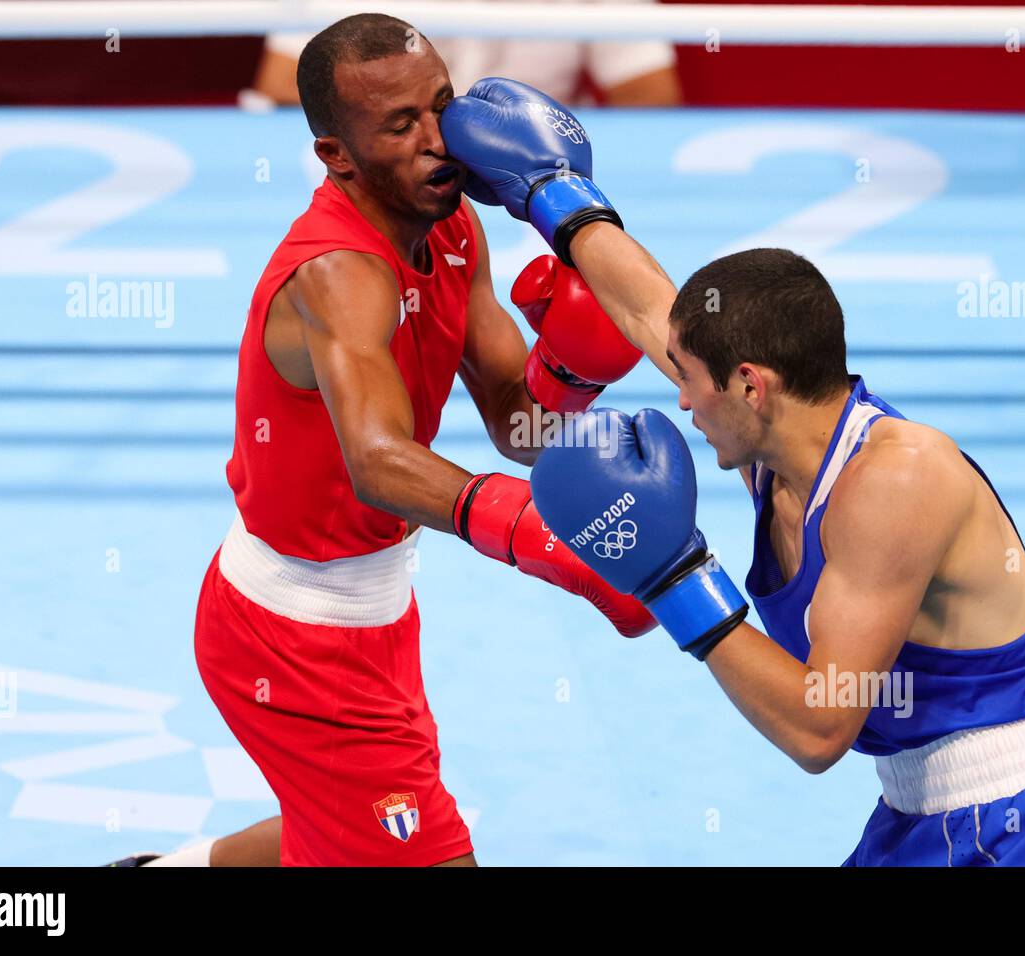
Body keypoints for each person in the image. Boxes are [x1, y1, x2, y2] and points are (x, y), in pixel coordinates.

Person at [438, 78, 1025, 865]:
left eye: (690, 380)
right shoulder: (782, 441)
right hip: (922, 814)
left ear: (749, 385)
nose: (679, 399)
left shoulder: (896, 482)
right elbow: (646, 308)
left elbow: (817, 728)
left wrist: (675, 577)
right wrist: (556, 196)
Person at [130, 16, 653, 869]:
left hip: (377, 610)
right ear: (338, 156)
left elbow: (521, 427)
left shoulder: (453, 231)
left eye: (441, 106)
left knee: (342, 832)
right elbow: (375, 462)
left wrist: (572, 363)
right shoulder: (337, 273)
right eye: (400, 126)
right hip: (289, 635)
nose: (438, 142)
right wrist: (540, 538)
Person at [249, 0, 681, 109]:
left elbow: (650, 92)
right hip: (385, 159)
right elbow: (285, 81)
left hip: (527, 168)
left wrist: (548, 138)